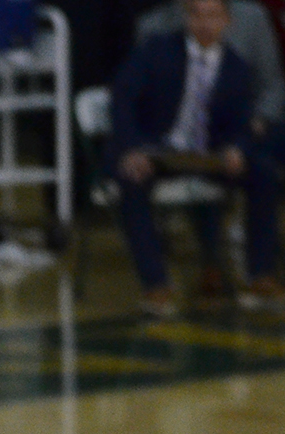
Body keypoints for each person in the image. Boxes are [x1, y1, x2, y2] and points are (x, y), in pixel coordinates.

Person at [112, 0, 283, 317]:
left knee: (262, 172)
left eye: (212, 16)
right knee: (131, 180)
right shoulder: (157, 49)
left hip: (208, 156)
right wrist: (133, 147)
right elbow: (123, 99)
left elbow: (242, 122)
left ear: (227, 22)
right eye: (197, 15)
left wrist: (238, 148)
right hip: (158, 151)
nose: (205, 24)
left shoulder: (236, 67)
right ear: (186, 18)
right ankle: (156, 284)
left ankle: (260, 275)